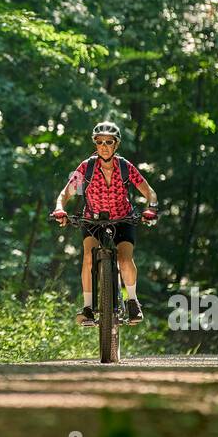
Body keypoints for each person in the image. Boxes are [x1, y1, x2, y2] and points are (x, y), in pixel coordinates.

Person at [50, 121, 158, 326]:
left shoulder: (125, 167)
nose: (104, 146)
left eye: (109, 142)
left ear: (116, 145)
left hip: (123, 218)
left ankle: (133, 301)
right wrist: (59, 208)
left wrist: (151, 208)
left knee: (125, 260)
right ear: (95, 144)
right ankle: (89, 307)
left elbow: (149, 191)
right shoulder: (87, 167)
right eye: (99, 142)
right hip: (92, 220)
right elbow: (65, 193)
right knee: (89, 258)